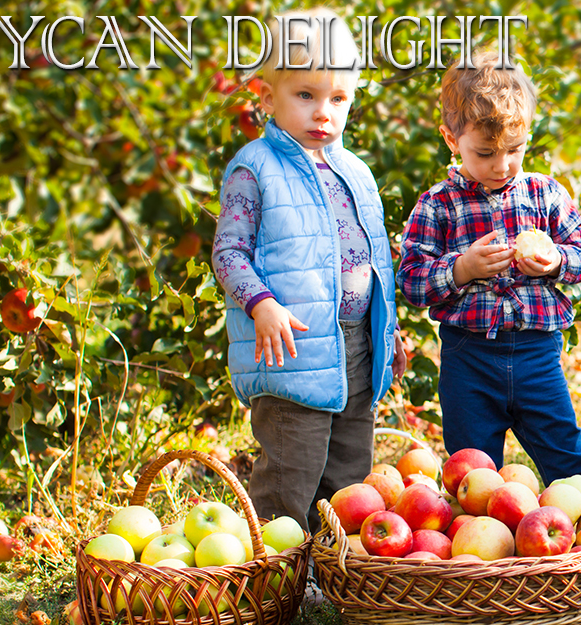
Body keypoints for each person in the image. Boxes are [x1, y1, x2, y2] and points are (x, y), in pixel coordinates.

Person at [212, 9, 404, 534]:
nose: (323, 112)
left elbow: (374, 261)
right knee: (291, 475)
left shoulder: (357, 173)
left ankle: (331, 575)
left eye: (337, 99)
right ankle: (275, 580)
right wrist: (261, 304)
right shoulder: (256, 168)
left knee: (348, 476)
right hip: (290, 346)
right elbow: (229, 253)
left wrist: (388, 332)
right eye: (305, 96)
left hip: (357, 345)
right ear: (268, 97)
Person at [397, 52, 581, 504]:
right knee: (470, 476)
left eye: (515, 149)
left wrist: (555, 261)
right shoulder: (439, 204)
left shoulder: (544, 194)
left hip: (536, 355)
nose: (503, 164)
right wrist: (461, 269)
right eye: (485, 153)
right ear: (452, 140)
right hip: (467, 359)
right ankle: (481, 566)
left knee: (568, 463)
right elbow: (411, 279)